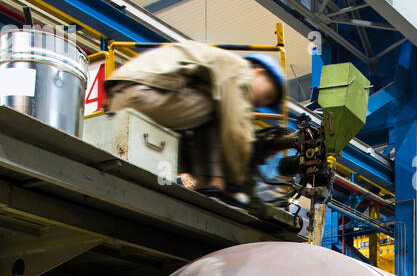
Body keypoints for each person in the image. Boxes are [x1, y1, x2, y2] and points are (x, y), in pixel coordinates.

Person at [104, 41, 285, 202]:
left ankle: (207, 184)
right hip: (146, 91)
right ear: (259, 71)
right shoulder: (240, 71)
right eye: (267, 96)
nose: (260, 104)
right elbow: (235, 130)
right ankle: (214, 184)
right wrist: (237, 181)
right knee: (223, 111)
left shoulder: (217, 68)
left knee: (210, 116)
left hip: (120, 95)